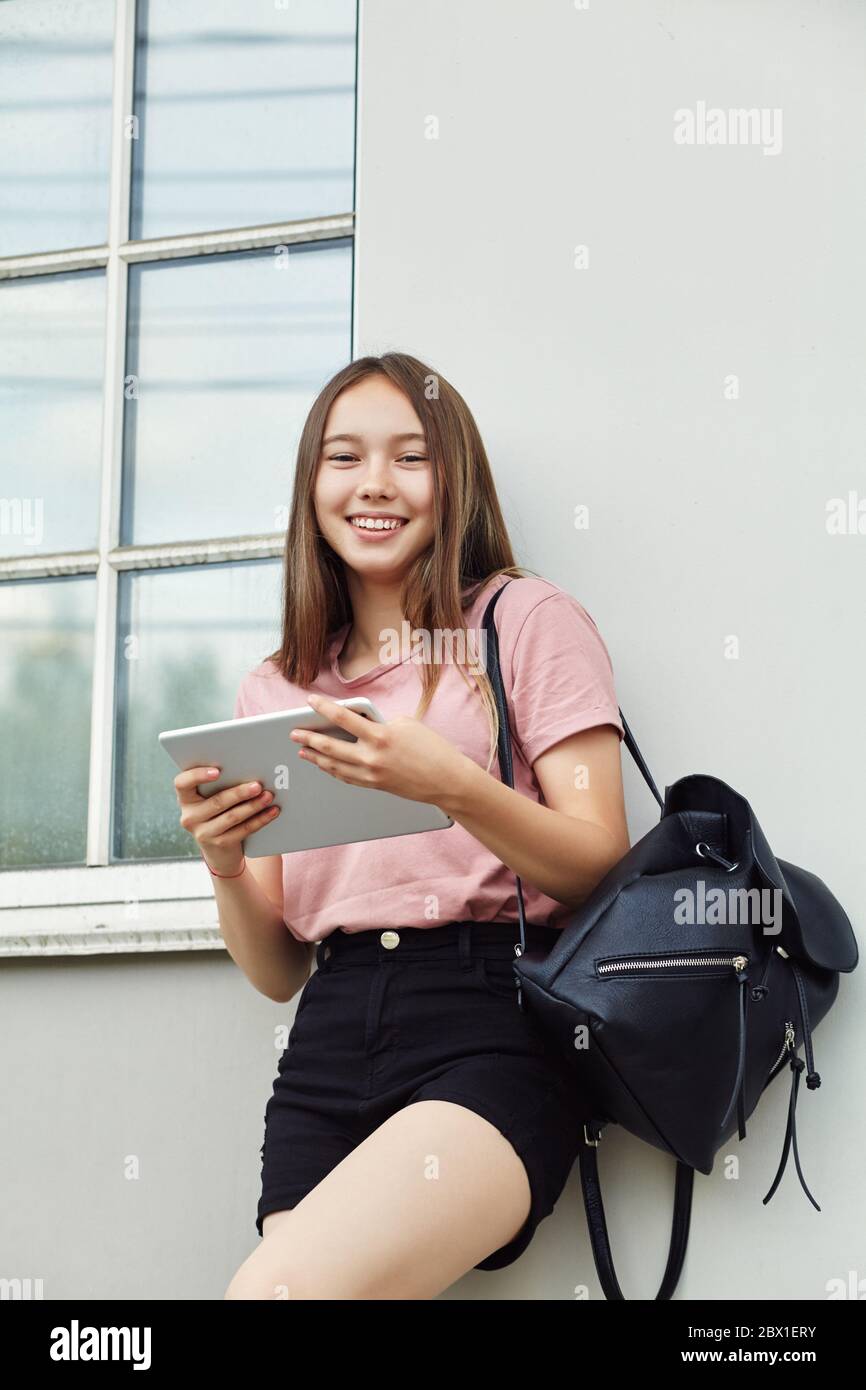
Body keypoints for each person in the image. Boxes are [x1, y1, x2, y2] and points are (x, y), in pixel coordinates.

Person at [175, 351, 631, 1299]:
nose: (373, 484)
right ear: (312, 488)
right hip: (328, 1038)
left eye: (409, 458)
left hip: (490, 1022)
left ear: (453, 479)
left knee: (268, 1297)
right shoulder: (277, 687)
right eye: (343, 458)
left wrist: (454, 785)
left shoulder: (525, 620)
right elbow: (276, 973)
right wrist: (224, 863)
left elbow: (601, 864)